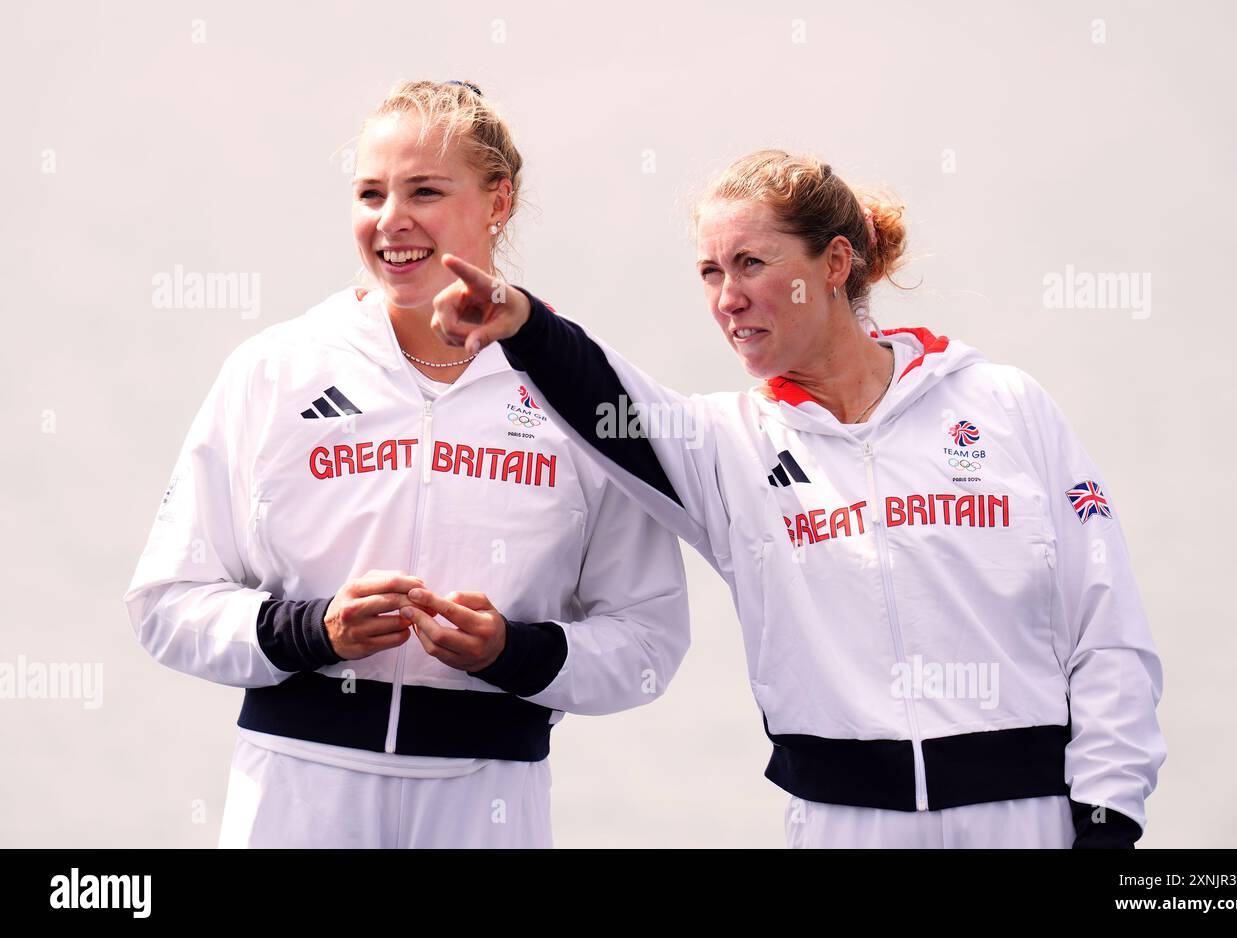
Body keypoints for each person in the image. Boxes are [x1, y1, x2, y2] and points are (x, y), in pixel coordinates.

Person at [428, 149, 1166, 848]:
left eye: (751, 263)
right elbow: (608, 400)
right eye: (711, 272)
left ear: (836, 263)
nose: (727, 298)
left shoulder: (1007, 405)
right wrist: (522, 324)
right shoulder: (727, 446)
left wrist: (1108, 819)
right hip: (845, 823)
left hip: (1025, 819)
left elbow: (1107, 629)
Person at [122, 80, 689, 849]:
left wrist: (513, 652)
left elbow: (649, 640)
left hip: (487, 798)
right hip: (297, 789)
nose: (392, 221)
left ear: (499, 201)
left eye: (424, 190)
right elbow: (165, 602)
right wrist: (309, 632)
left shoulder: (577, 385)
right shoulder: (275, 369)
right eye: (369, 192)